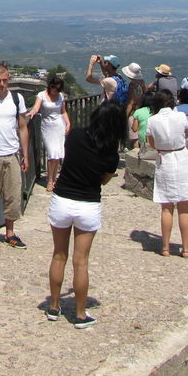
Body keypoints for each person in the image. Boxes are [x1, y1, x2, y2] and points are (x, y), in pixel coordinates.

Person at [46, 102, 121, 329]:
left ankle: (53, 306)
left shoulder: (75, 136)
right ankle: (80, 314)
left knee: (59, 255)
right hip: (87, 204)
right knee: (81, 262)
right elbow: (104, 180)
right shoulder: (111, 154)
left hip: (62, 200)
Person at [147, 90, 188, 258]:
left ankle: (165, 248)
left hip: (165, 158)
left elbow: (151, 142)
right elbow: (186, 134)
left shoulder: (152, 120)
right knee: (184, 209)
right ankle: (185, 248)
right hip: (181, 157)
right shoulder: (180, 117)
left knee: (166, 207)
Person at [0, 64, 30, 248]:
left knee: (13, 194)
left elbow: (23, 126)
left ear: (9, 79)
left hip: (12, 153)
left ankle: (10, 233)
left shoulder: (17, 99)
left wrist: (25, 154)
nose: (1, 84)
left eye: (4, 80)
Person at [27, 75, 71, 194]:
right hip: (47, 127)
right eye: (54, 90)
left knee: (57, 154)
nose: (56, 92)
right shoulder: (42, 95)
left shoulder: (60, 96)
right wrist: (32, 112)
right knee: (52, 153)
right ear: (50, 87)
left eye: (58, 90)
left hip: (59, 126)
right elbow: (36, 107)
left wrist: (68, 123)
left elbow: (63, 111)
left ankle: (53, 178)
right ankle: (50, 180)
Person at [122, 62, 146, 148]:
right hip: (143, 110)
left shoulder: (133, 85)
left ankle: (136, 157)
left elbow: (131, 102)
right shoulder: (142, 82)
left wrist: (126, 114)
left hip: (134, 112)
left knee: (134, 137)